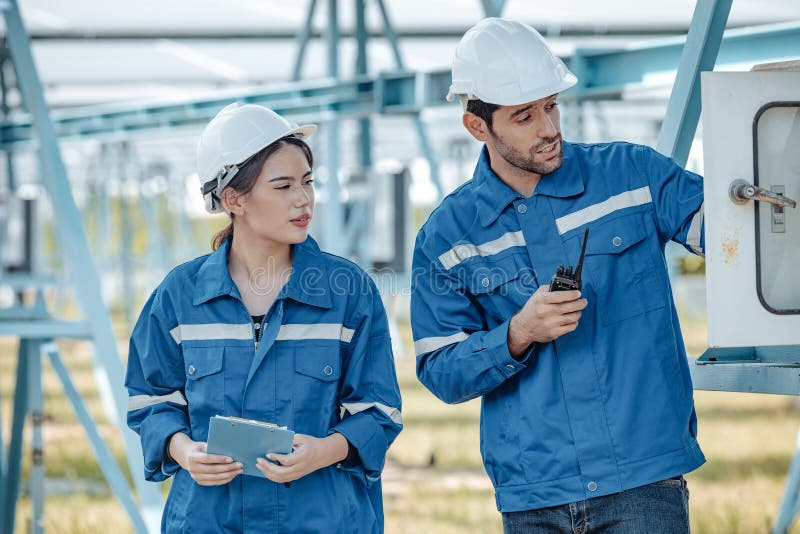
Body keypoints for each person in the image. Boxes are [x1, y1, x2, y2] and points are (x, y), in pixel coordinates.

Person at [411, 18, 704, 533]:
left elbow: (743, 231)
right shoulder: (447, 237)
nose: (548, 129)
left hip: (641, 482)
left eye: (551, 106)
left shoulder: (632, 176)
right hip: (533, 495)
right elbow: (440, 370)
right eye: (524, 116)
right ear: (478, 126)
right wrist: (516, 335)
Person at [125, 103, 402, 533]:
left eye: (308, 182)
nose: (304, 199)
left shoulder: (348, 292)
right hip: (209, 520)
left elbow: (379, 410)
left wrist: (324, 451)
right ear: (234, 199)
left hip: (321, 519)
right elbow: (150, 400)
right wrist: (183, 450)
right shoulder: (179, 297)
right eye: (284, 186)